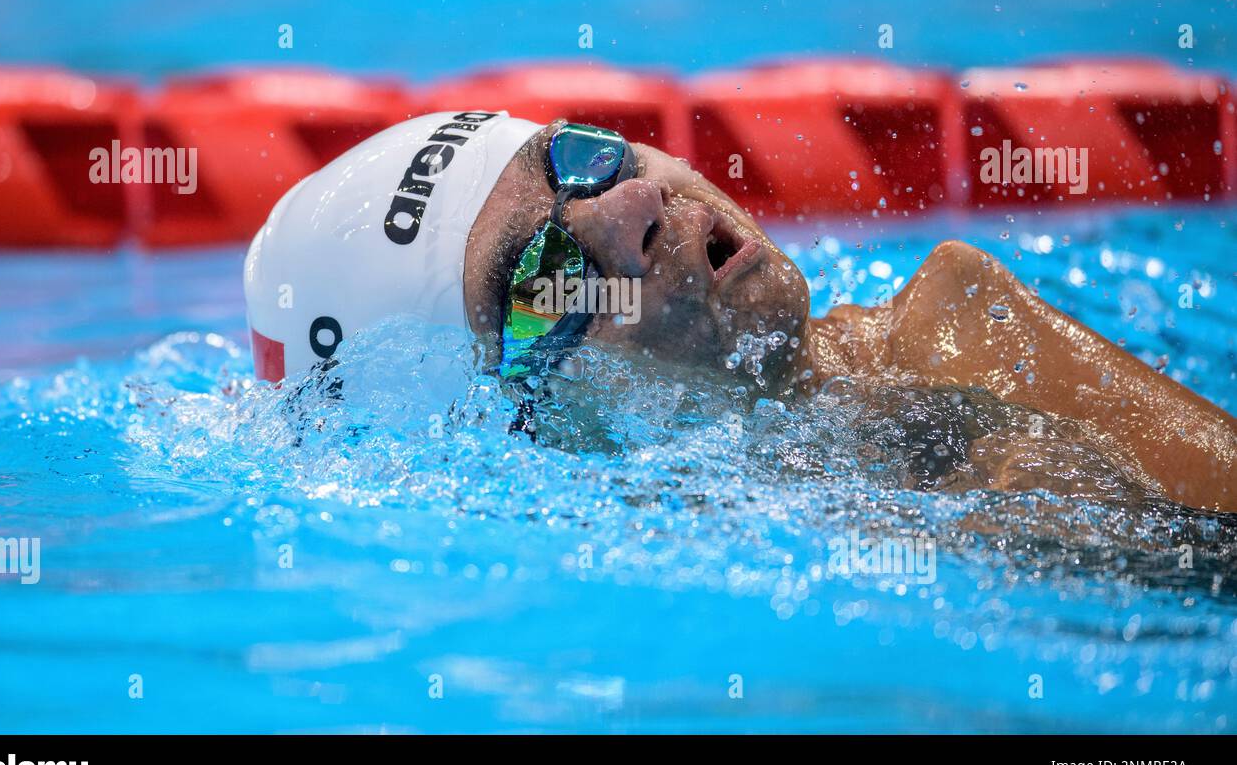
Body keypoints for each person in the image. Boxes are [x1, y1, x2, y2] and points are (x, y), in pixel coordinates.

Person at [244, 111, 1237, 512]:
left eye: (579, 156)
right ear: (508, 427)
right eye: (543, 270)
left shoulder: (965, 341)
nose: (635, 203)